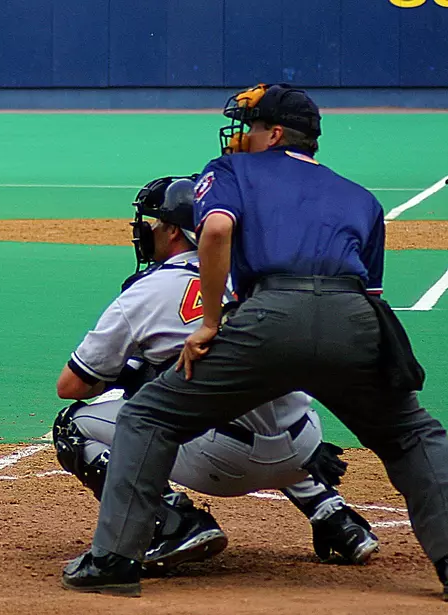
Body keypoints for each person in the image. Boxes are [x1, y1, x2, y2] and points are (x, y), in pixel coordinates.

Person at [61, 83, 448, 600]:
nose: (242, 136)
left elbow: (216, 230)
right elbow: (368, 291)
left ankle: (114, 561)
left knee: (149, 416)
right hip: (356, 318)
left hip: (269, 313)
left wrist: (210, 323)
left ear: (276, 134)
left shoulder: (230, 172)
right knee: (411, 435)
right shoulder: (360, 196)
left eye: (251, 127)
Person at [53, 176, 377, 574]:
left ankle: (172, 524)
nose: (144, 231)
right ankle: (335, 518)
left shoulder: (147, 292)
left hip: (222, 462)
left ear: (173, 230)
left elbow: (71, 386)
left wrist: (133, 372)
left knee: (76, 426)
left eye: (152, 223)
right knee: (260, 384)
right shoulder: (262, 274)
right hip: (305, 445)